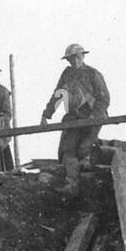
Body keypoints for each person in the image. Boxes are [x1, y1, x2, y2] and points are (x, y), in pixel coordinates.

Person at [41, 43, 109, 196]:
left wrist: (93, 117)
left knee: (85, 150)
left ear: (82, 56)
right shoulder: (67, 74)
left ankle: (90, 190)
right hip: (73, 118)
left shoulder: (93, 74)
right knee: (68, 150)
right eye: (71, 59)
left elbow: (104, 99)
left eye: (76, 57)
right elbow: (58, 94)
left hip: (92, 118)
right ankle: (72, 184)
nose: (74, 61)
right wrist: (47, 114)